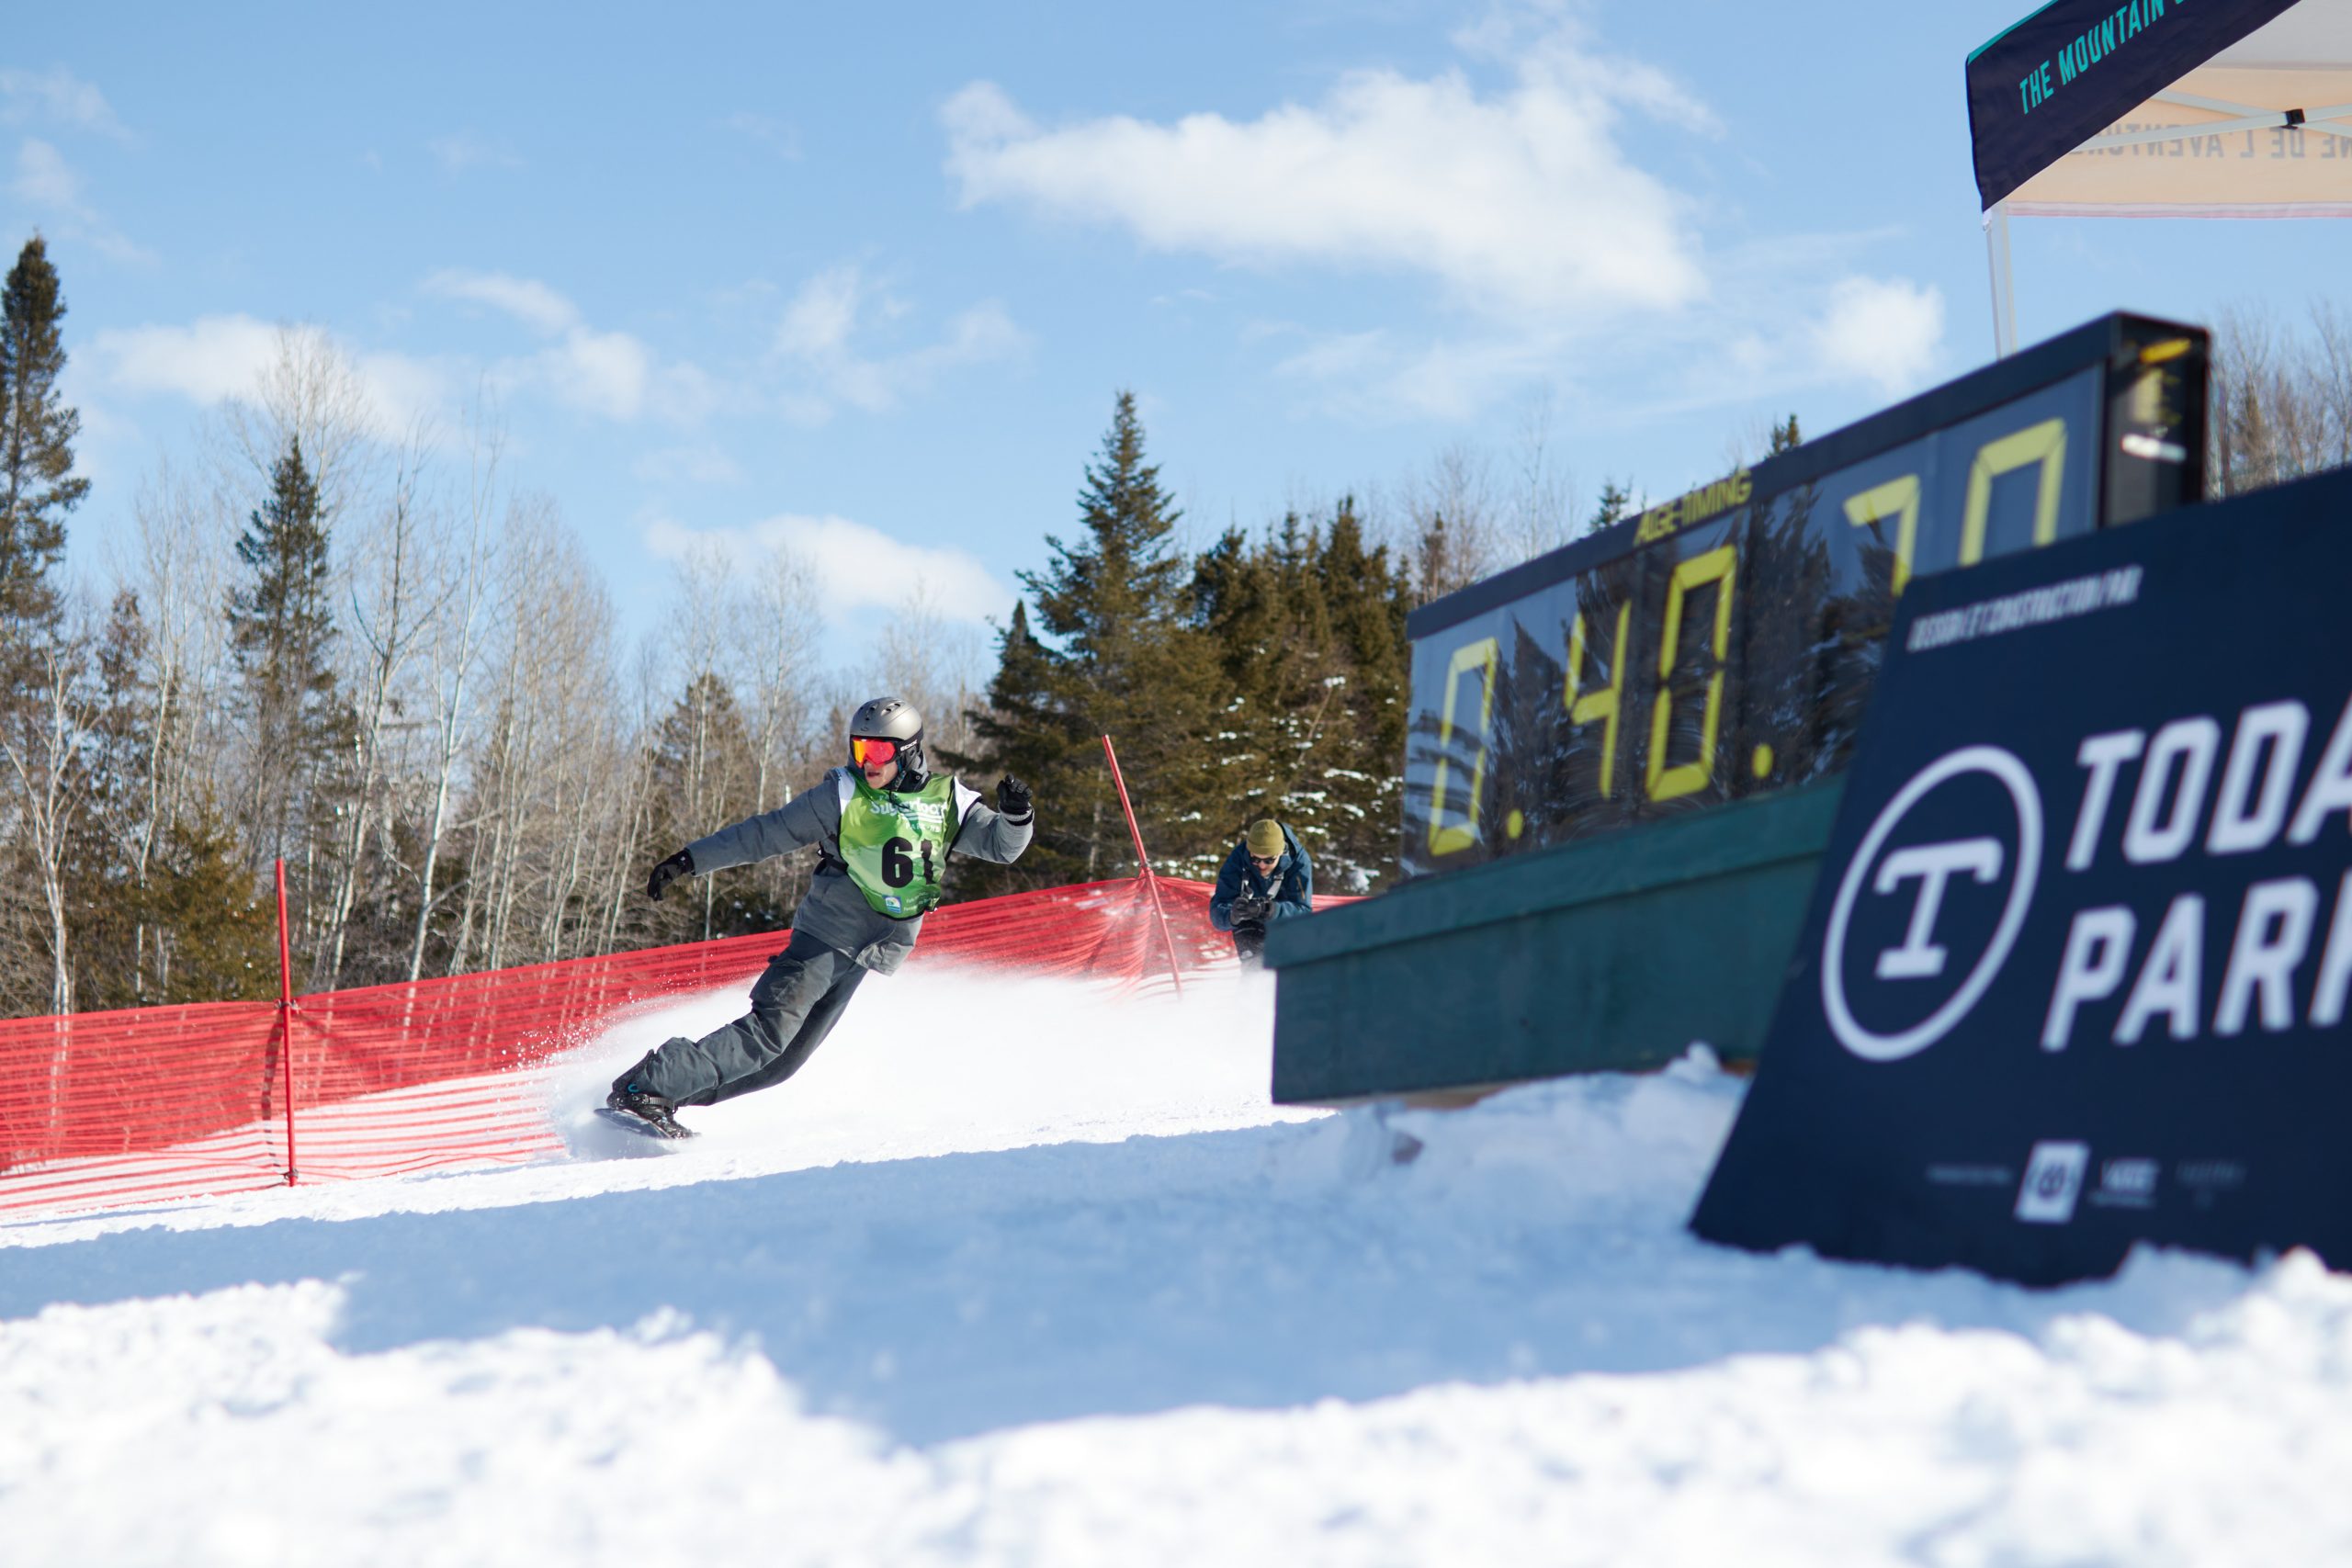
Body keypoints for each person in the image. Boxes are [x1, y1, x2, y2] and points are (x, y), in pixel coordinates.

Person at [605, 695, 1034, 1136]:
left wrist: (1017, 816)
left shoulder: (947, 801)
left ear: (908, 751)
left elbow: (1001, 846)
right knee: (769, 1033)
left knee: (781, 1065)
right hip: (825, 937)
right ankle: (649, 1088)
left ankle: (657, 1098)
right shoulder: (843, 794)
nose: (866, 760)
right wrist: (691, 859)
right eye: (859, 748)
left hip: (870, 951)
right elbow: (767, 833)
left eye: (879, 751)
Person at [1208, 818, 1312, 965]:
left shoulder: (1299, 862)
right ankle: (1253, 985)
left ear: (1281, 852)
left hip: (1285, 925)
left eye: (1269, 860)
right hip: (1249, 927)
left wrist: (1273, 910)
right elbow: (1218, 909)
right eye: (1255, 859)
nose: (1262, 865)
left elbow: (1304, 912)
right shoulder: (1238, 859)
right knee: (1254, 966)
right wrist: (1232, 915)